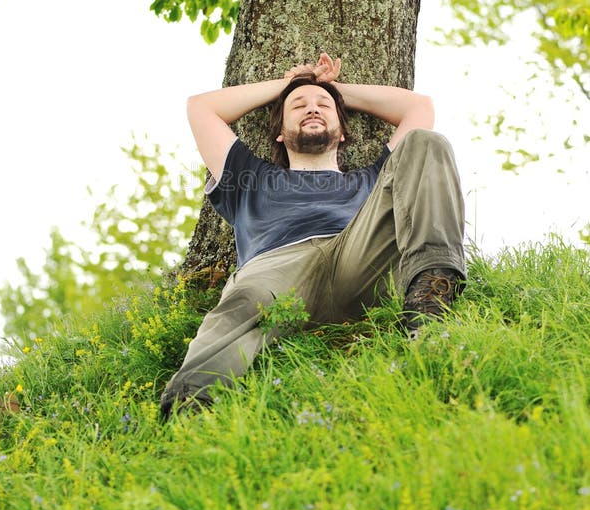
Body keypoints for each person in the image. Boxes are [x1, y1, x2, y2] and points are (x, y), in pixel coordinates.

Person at [160, 53, 466, 418]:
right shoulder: (248, 177)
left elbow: (418, 108)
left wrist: (332, 88)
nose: (312, 108)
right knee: (246, 297)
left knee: (426, 142)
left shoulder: (371, 180)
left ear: (343, 131)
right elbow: (202, 108)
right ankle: (191, 405)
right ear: (279, 131)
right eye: (298, 106)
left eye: (323, 106)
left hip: (358, 256)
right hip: (279, 269)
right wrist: (291, 84)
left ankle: (430, 301)